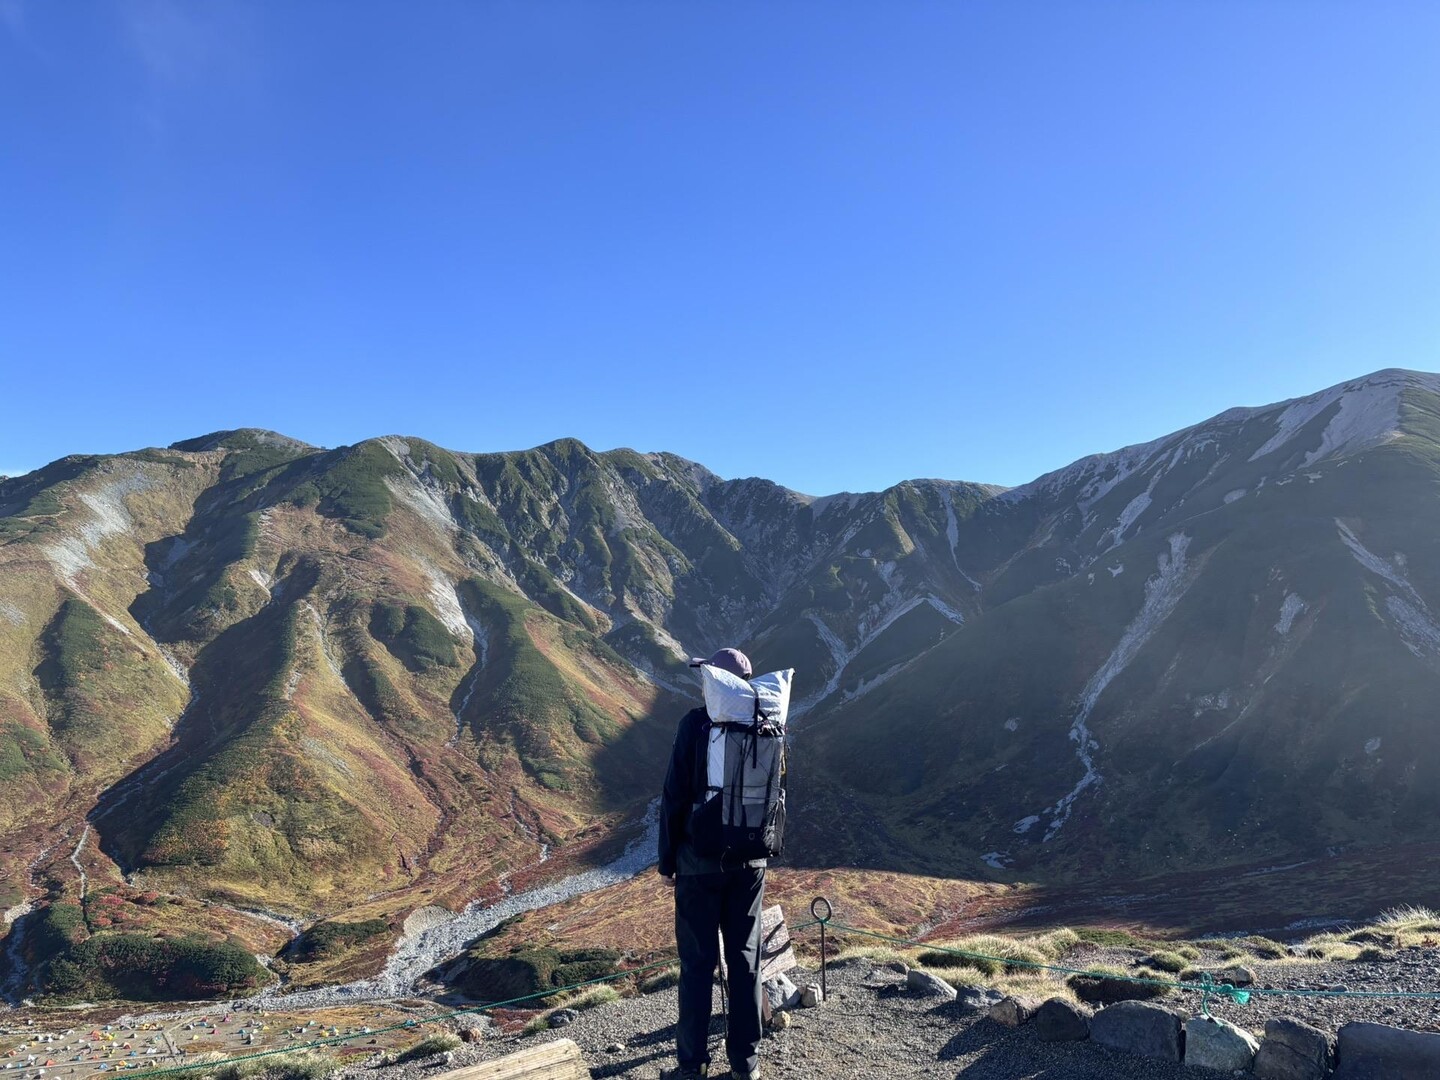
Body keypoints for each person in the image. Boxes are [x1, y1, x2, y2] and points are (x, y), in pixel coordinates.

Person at [659, 647, 766, 1080]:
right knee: (745, 962)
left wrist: (667, 862)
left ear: (717, 682)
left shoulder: (695, 724)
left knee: (698, 965)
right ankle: (746, 1064)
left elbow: (674, 797)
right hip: (750, 863)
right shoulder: (766, 724)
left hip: (699, 867)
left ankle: (692, 1066)